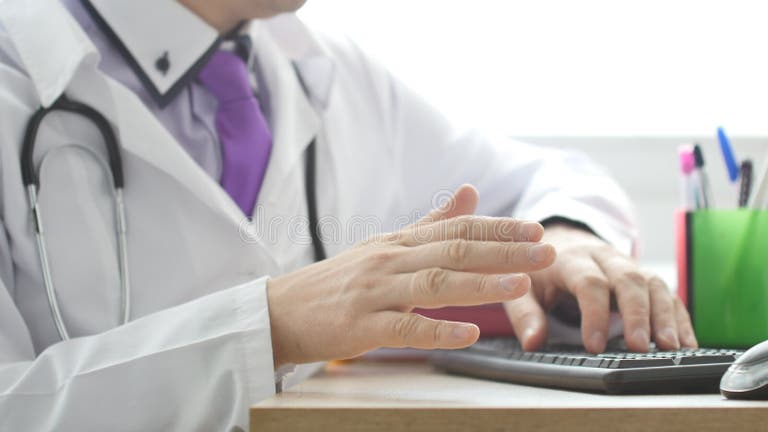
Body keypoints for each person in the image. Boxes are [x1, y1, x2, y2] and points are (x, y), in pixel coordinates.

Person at [0, 0, 696, 429]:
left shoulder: (321, 69)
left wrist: (568, 237)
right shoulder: (20, 72)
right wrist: (272, 325)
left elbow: (550, 178)